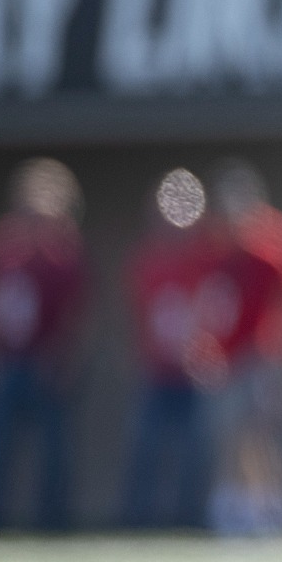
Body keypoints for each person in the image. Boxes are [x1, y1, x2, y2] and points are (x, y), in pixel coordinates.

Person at [0, 159, 90, 531]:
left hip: (45, 363)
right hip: (6, 360)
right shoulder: (2, 244)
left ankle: (53, 526)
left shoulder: (65, 252)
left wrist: (63, 360)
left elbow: (77, 313)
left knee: (54, 453)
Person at [204, 161, 282, 537]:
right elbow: (210, 303)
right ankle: (233, 511)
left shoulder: (276, 242)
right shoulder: (218, 245)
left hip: (265, 356)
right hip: (229, 357)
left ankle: (272, 512)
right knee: (230, 434)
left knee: (260, 435)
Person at [120, 168, 225, 528]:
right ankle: (137, 524)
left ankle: (189, 524)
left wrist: (204, 353)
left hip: (198, 374)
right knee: (145, 450)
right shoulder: (147, 260)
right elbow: (143, 317)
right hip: (158, 373)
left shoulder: (208, 258)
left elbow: (215, 310)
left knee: (197, 454)